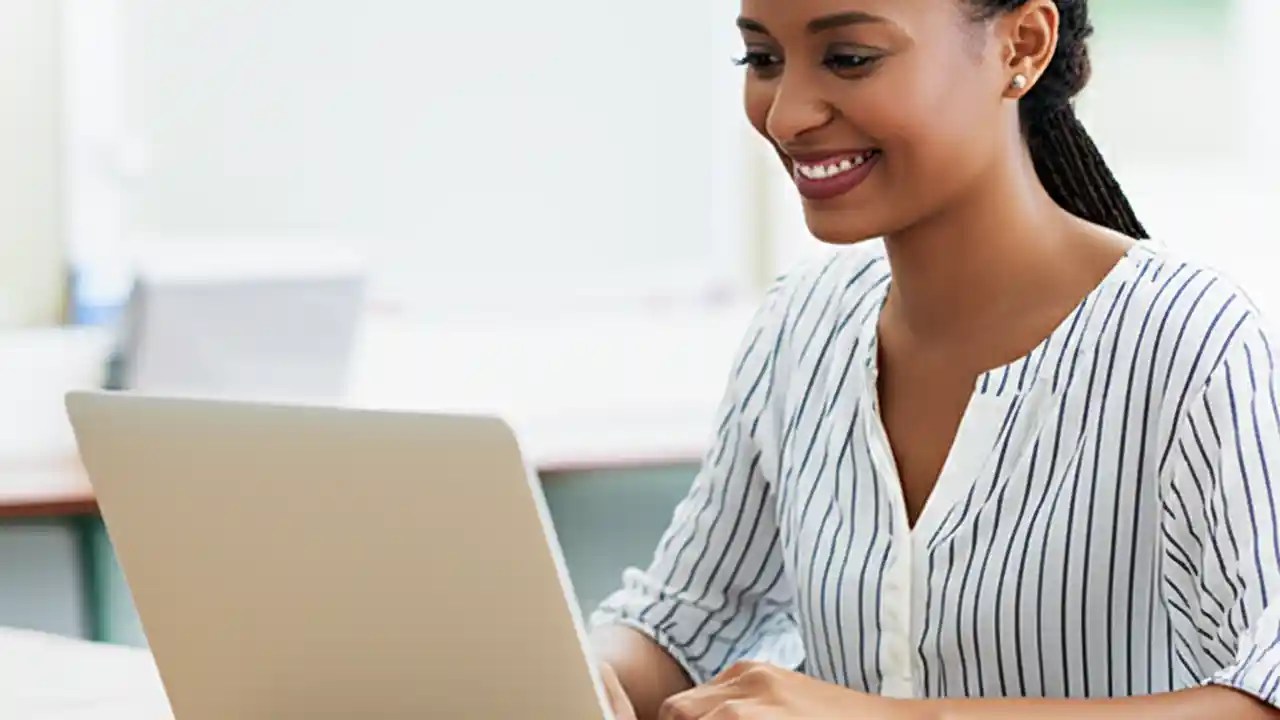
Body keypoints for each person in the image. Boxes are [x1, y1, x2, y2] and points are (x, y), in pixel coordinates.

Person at [588, 0, 1280, 718]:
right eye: (762, 61)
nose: (786, 115)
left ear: (1022, 45)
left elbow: (1265, 695)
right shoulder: (802, 322)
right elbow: (683, 625)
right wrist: (570, 667)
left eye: (850, 58)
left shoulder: (1188, 340)